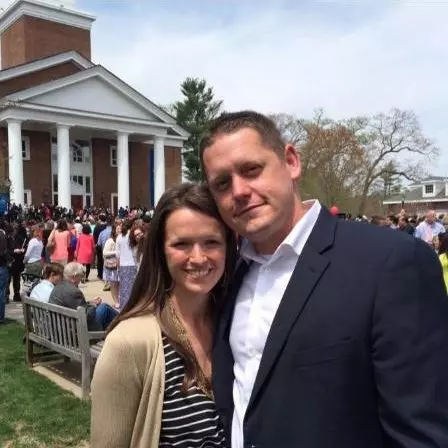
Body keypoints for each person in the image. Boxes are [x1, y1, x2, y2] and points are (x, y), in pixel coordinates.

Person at [200, 111, 448, 448]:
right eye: (222, 184)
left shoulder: (390, 263)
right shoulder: (228, 276)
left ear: (291, 162)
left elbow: (421, 433)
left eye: (251, 170)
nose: (239, 191)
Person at [91, 183, 237, 448]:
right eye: (181, 244)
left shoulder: (235, 327)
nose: (199, 257)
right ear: (160, 251)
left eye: (211, 242)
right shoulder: (129, 343)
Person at [49, 262, 118, 331]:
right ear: (74, 277)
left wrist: (90, 303)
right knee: (104, 308)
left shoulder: (57, 287)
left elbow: (77, 306)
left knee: (104, 311)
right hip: (77, 331)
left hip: (62, 329)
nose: (81, 279)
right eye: (81, 276)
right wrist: (93, 305)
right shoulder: (74, 292)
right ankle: (124, 322)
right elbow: (87, 317)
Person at [115, 219, 137, 310]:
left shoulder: (119, 237)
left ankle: (124, 307)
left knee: (124, 288)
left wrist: (118, 266)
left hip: (123, 264)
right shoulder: (131, 236)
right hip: (132, 263)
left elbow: (117, 254)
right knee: (132, 288)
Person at [102, 223, 120, 309]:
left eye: (121, 228)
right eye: (118, 228)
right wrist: (115, 252)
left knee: (119, 284)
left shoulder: (123, 239)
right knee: (113, 285)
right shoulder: (110, 241)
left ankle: (119, 300)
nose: (120, 229)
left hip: (119, 266)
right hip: (112, 266)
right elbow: (104, 253)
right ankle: (116, 301)